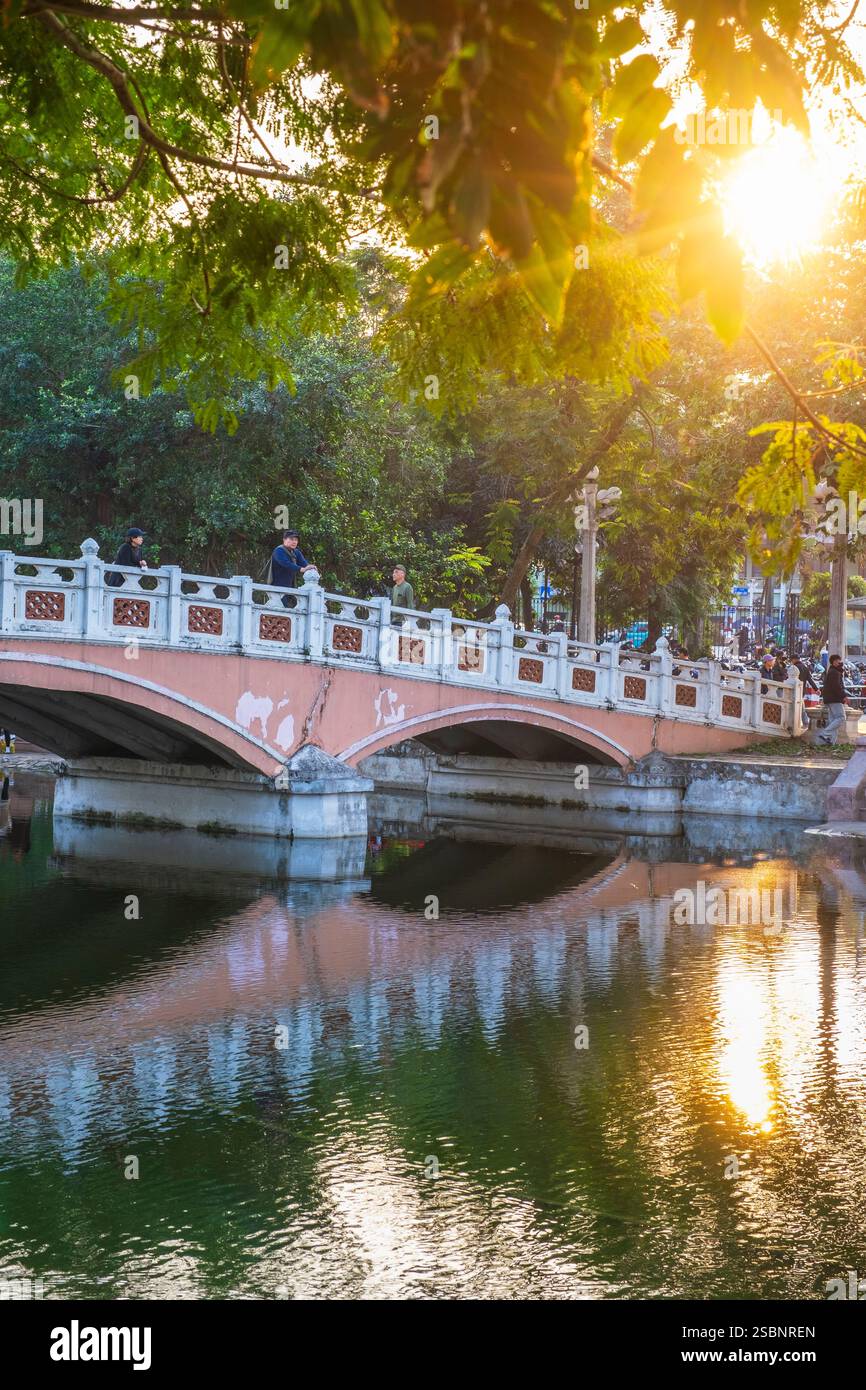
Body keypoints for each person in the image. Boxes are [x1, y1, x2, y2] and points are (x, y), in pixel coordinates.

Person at [269, 530, 311, 605]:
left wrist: (311, 568)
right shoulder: (279, 551)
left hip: (291, 588)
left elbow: (304, 564)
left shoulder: (296, 552)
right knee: (280, 609)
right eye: (291, 539)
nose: (294, 542)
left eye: (296, 540)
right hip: (277, 588)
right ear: (284, 539)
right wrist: (301, 569)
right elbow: (286, 564)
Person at [819, 654, 848, 745]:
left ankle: (831, 741)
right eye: (837, 661)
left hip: (830, 698)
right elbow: (837, 686)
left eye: (839, 660)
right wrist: (844, 696)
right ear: (833, 662)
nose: (839, 662)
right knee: (841, 717)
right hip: (834, 698)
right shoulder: (834, 672)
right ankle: (825, 734)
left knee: (833, 720)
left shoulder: (833, 671)